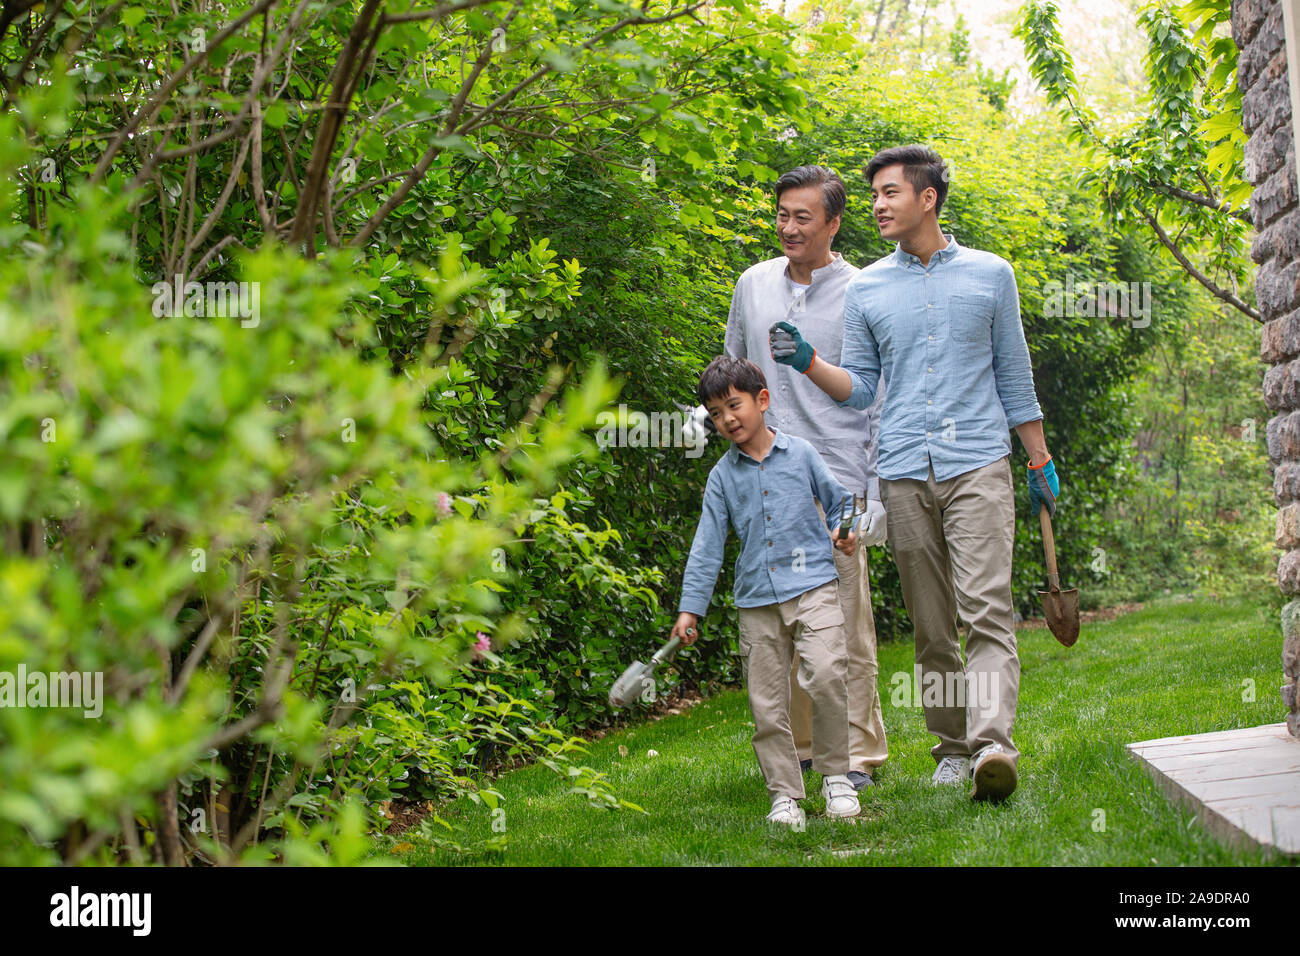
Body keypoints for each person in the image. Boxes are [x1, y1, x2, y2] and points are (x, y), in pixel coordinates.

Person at [770, 144, 1058, 802]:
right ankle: (951, 746)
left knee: (987, 610)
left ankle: (992, 744)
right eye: (873, 196)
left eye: (889, 193)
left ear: (927, 198)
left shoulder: (992, 275)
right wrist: (811, 359)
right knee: (932, 627)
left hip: (978, 464)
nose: (877, 205)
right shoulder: (869, 286)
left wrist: (1037, 457)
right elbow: (861, 388)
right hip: (902, 470)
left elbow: (1014, 378)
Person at [725, 164, 889, 791]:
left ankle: (857, 756)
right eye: (782, 215)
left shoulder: (862, 292)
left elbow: (875, 399)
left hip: (838, 479)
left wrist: (871, 498)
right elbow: (732, 367)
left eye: (803, 217)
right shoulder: (754, 284)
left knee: (842, 627)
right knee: (783, 623)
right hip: (769, 478)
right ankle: (801, 752)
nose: (788, 228)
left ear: (833, 223)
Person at [671, 355, 871, 826]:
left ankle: (836, 777)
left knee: (826, 675)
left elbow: (844, 501)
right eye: (715, 414)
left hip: (815, 588)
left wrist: (847, 530)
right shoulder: (721, 477)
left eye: (733, 406)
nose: (727, 420)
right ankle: (785, 794)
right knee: (766, 704)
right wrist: (690, 609)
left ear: (762, 400)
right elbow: (706, 546)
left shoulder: (801, 454)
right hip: (757, 601)